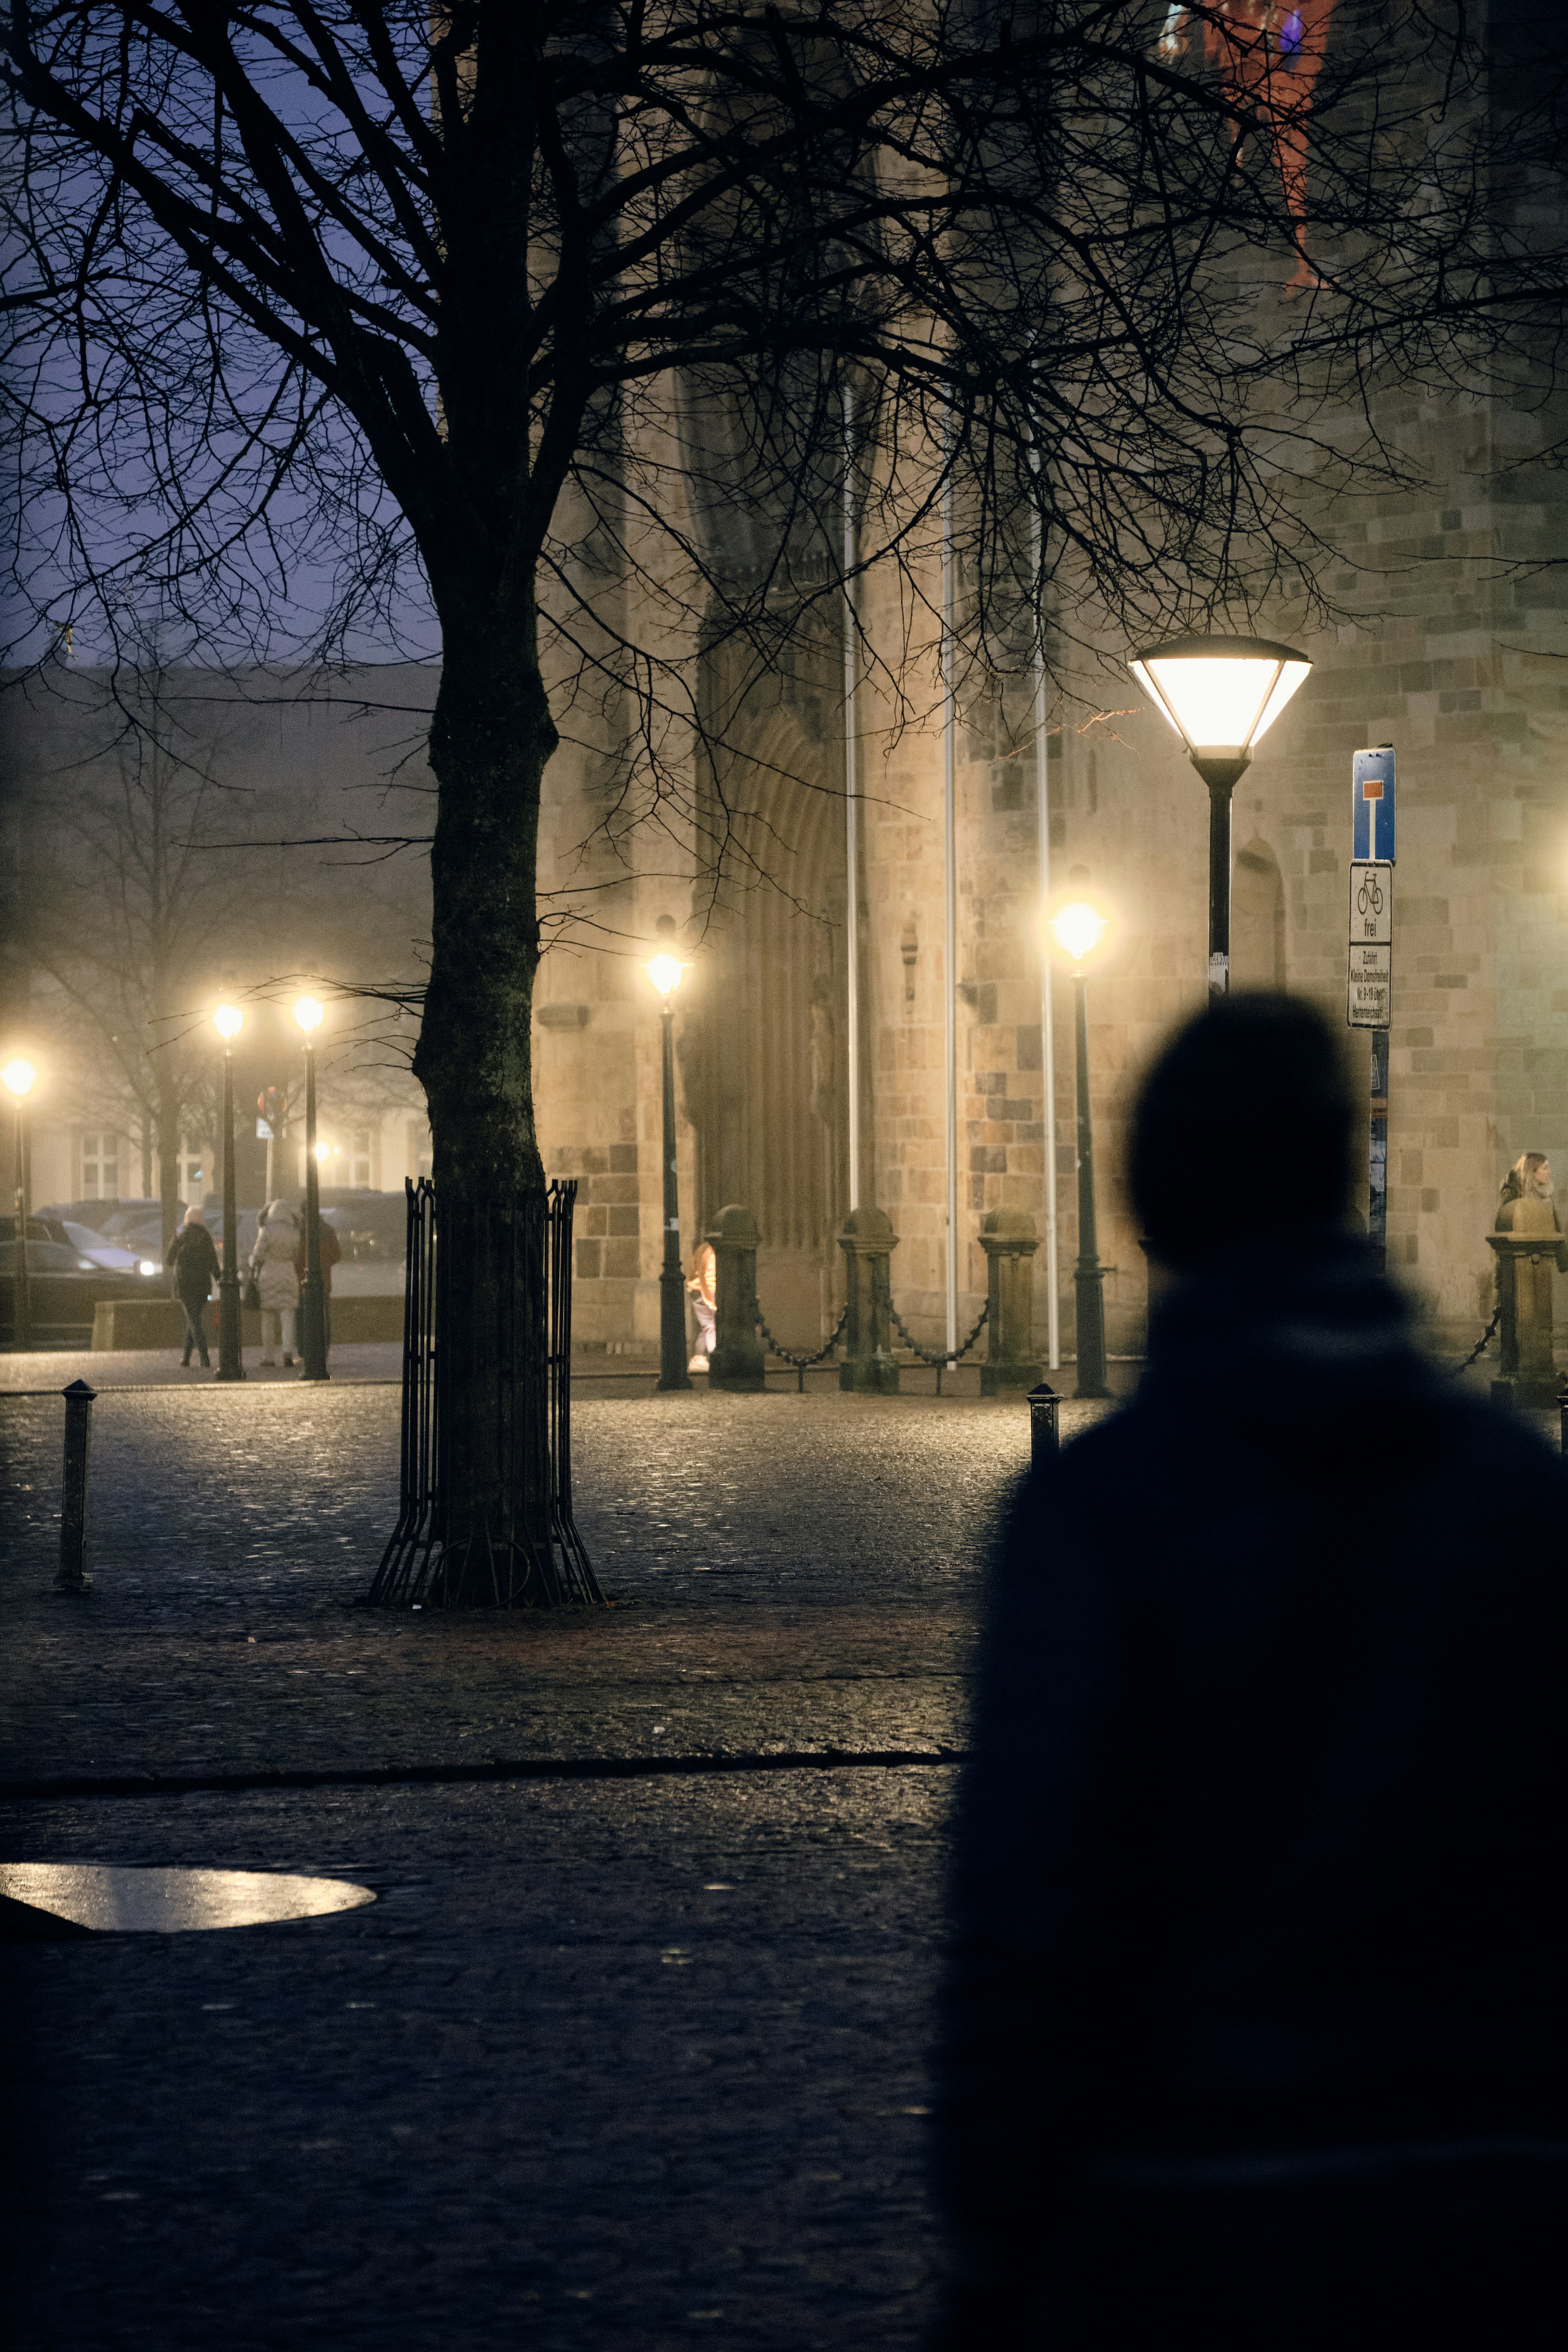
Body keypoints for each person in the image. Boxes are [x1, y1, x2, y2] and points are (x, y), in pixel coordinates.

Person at [935, 993, 1568, 2350]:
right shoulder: (1518, 1493)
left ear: (1152, 1209)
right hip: (1490, 2201)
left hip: (1193, 2205)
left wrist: (995, 2240)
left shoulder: (1103, 1511)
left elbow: (1031, 1916)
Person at [164, 1204, 219, 1369]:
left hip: (185, 1284)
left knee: (194, 1320)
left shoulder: (181, 1235)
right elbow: (213, 1262)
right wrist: (219, 1278)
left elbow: (169, 1260)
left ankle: (204, 1357)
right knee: (194, 1319)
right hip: (203, 1285)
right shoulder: (206, 1237)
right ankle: (186, 1358)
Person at [249, 1199, 301, 1367]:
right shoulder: (294, 1232)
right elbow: (296, 1253)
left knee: (268, 1318)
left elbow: (257, 1256)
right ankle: (287, 1352)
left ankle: (268, 1356)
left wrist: (253, 1262)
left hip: (269, 1274)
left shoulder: (266, 1231)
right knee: (288, 1316)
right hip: (288, 1273)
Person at [293, 1206, 342, 1356]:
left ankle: (304, 1352)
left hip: (301, 1282)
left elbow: (296, 1257)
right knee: (323, 1317)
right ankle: (323, 1350)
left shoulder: (300, 1232)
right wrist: (324, 1263)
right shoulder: (328, 1230)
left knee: (302, 1317)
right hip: (324, 1281)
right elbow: (337, 1255)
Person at [686, 1237, 716, 1373]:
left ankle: (700, 1358)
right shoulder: (707, 1250)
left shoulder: (705, 1248)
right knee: (710, 1326)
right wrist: (709, 1300)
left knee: (708, 1327)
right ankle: (709, 1359)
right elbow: (702, 1275)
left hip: (704, 1291)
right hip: (703, 1291)